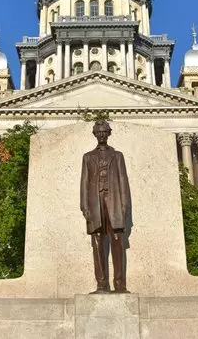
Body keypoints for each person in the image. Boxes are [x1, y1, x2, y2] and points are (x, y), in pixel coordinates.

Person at [80, 120, 131, 293]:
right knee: (97, 242)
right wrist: (84, 206)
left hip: (114, 201)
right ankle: (101, 284)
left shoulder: (117, 156)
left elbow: (123, 181)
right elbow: (84, 182)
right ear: (95, 134)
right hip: (95, 202)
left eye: (104, 132)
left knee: (117, 241)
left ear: (108, 133)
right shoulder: (88, 157)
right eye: (98, 132)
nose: (101, 135)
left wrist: (124, 205)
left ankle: (119, 284)